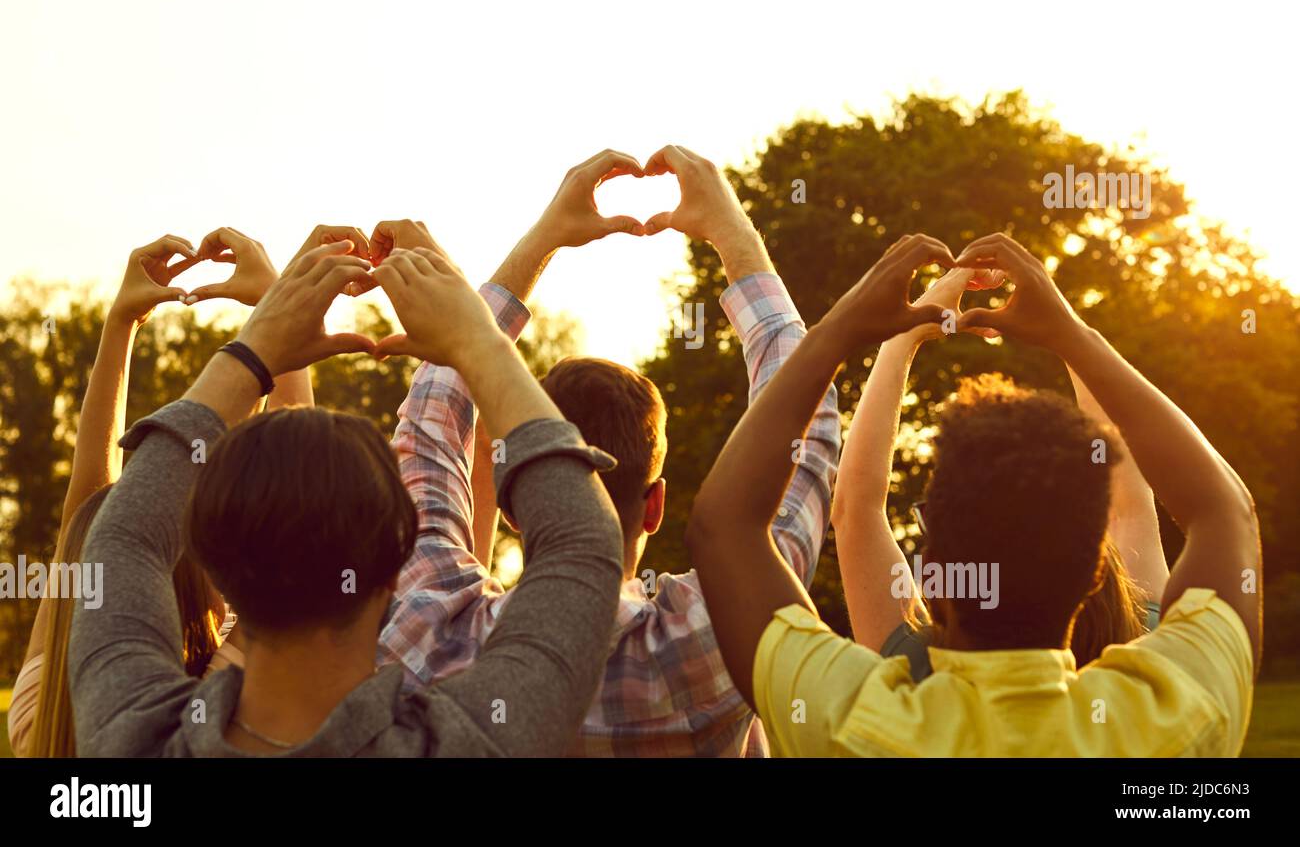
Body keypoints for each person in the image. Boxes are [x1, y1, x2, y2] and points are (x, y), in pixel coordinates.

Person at [686, 232, 1260, 757]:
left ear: (932, 572)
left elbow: (748, 521)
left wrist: (861, 332)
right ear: (1097, 568)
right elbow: (1223, 510)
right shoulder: (1176, 713)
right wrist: (1072, 336)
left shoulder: (864, 721)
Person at [67, 237, 625, 757]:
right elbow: (581, 541)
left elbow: (124, 538)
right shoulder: (472, 740)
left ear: (213, 564)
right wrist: (476, 340)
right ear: (394, 572)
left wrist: (254, 349)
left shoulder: (131, 736)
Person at [375, 146, 840, 756]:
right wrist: (735, 234)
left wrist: (539, 243)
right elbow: (805, 429)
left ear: (513, 508)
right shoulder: (716, 637)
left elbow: (429, 434)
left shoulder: (438, 632)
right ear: (655, 506)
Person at [8, 230, 310, 756]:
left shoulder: (38, 710)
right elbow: (303, 502)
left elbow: (85, 511)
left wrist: (122, 322)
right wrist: (279, 305)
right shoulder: (210, 715)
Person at [832, 265, 1155, 678]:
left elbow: (855, 509)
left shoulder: (919, 673)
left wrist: (903, 337)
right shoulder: (1148, 657)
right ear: (1093, 561)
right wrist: (1070, 335)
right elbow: (1146, 508)